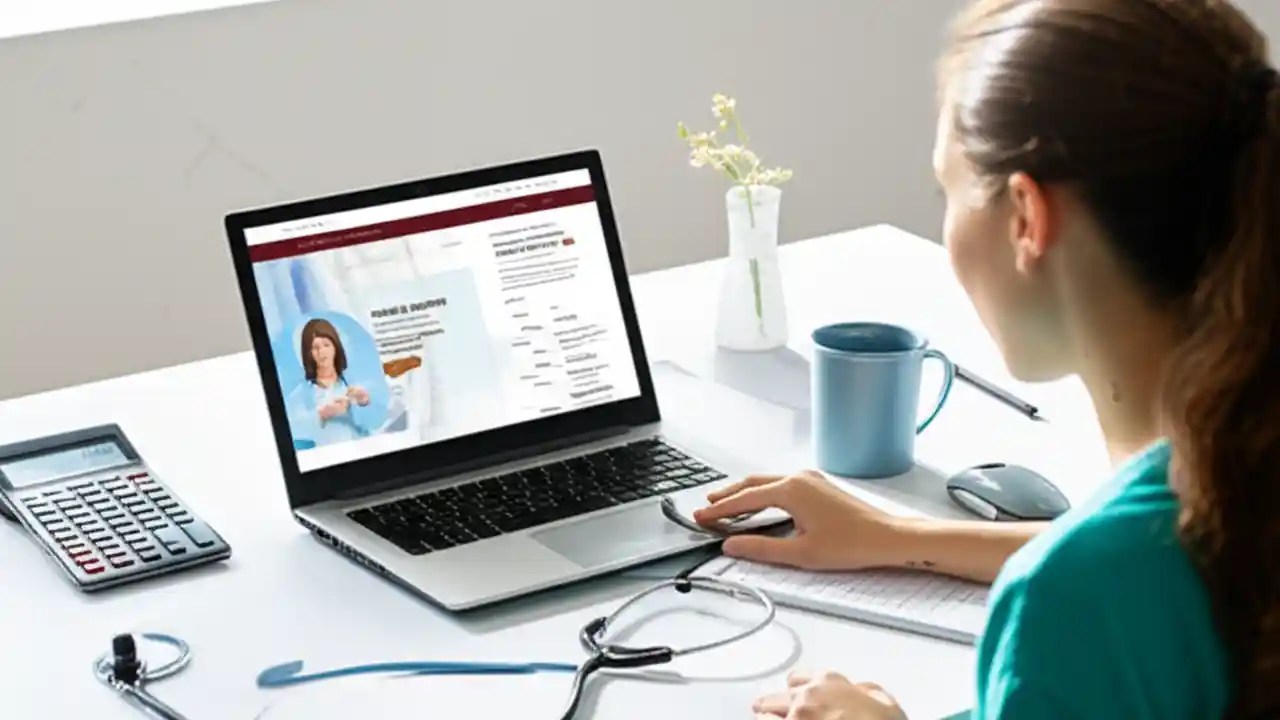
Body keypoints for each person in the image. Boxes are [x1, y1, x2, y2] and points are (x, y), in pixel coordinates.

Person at [695, 0, 1280, 717]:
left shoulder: (1075, 598)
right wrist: (899, 536)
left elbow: (1107, 593)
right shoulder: (1230, 486)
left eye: (946, 189)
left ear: (1027, 218)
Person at [288, 318, 373, 446]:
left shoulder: (354, 383)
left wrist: (363, 402)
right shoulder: (300, 394)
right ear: (308, 353)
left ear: (335, 347)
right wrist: (322, 414)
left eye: (326, 345)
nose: (322, 352)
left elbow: (374, 422)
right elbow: (292, 429)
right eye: (315, 347)